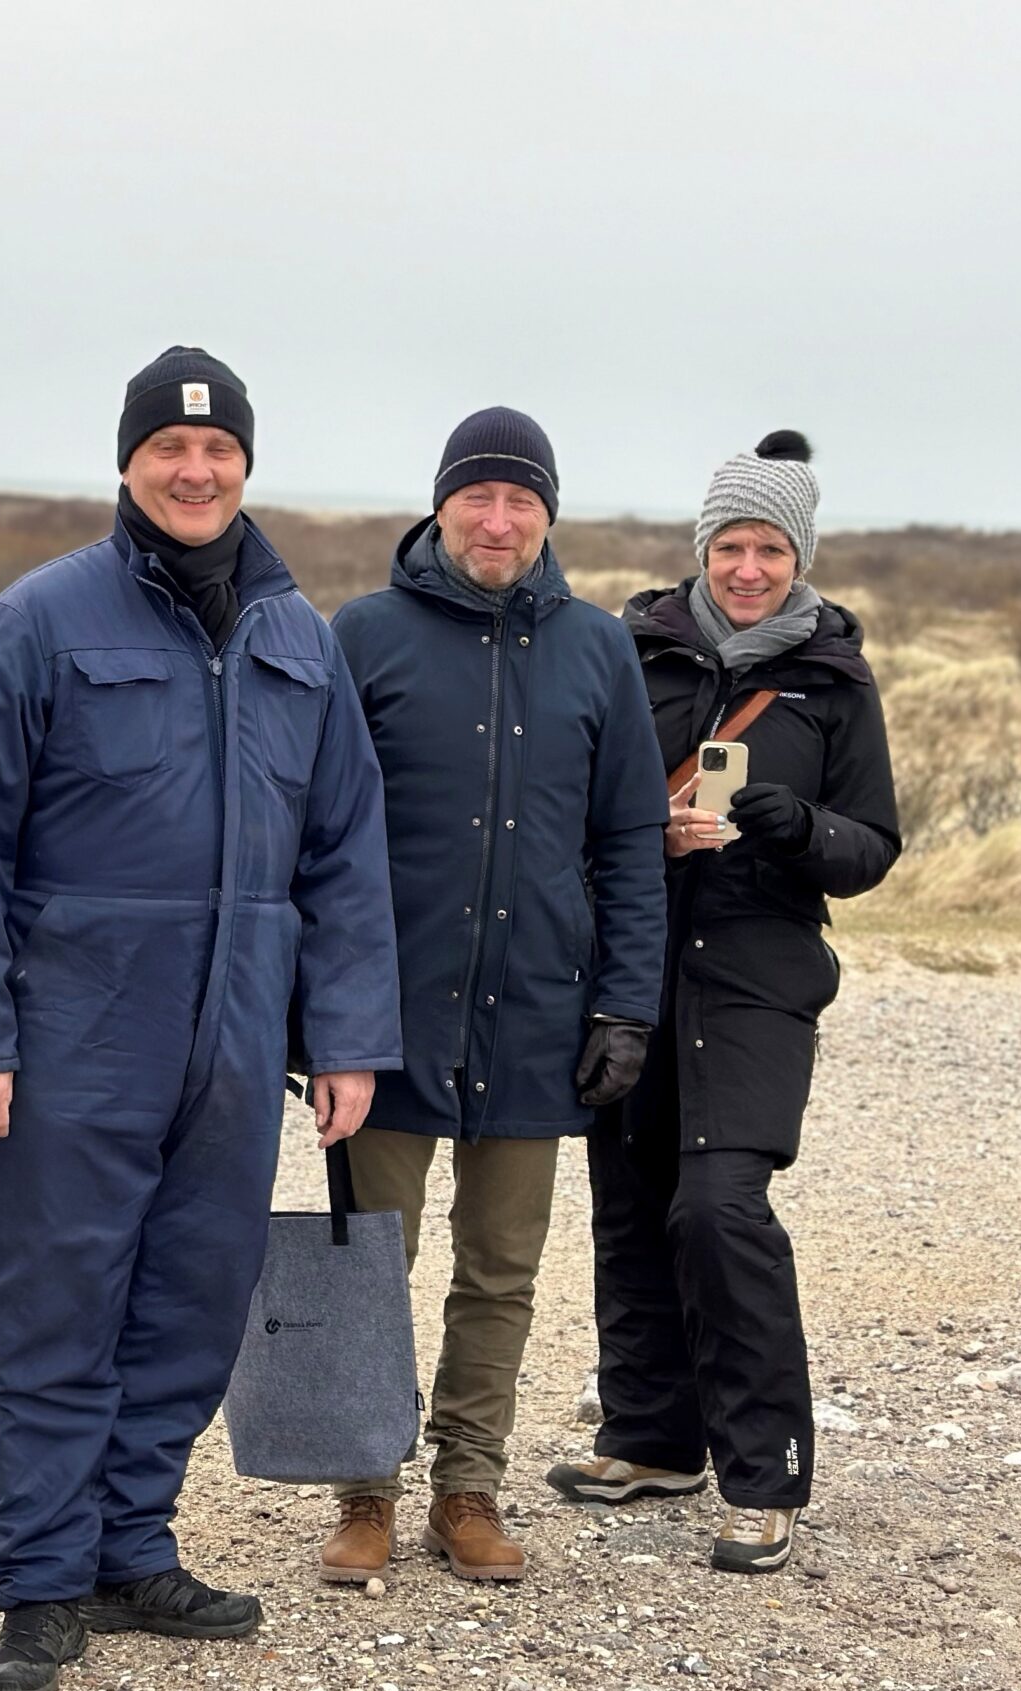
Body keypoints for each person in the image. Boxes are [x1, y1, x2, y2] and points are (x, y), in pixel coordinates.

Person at [0, 346, 401, 1691]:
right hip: (80, 1030)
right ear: (128, 463)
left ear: (245, 467)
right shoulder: (38, 622)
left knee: (195, 1301)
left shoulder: (296, 639)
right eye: (168, 452)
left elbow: (345, 855)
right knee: (55, 1305)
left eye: (219, 454)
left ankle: (131, 1548)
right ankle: (38, 1580)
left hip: (238, 1033)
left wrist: (349, 1037)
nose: (194, 473)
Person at [318, 407, 667, 1585]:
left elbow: (626, 838)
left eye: (522, 500)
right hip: (387, 1016)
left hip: (537, 1014)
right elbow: (312, 837)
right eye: (479, 496)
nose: (499, 519)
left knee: (502, 1268)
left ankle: (467, 1487)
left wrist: (625, 1005)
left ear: (548, 516)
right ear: (441, 505)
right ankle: (365, 1488)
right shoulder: (360, 637)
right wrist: (313, 1010)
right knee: (373, 1255)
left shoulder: (596, 646)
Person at [549, 432, 899, 1575]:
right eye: (732, 545)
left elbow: (870, 850)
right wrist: (638, 835)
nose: (749, 568)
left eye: (771, 549)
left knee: (717, 1207)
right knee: (629, 1197)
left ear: (801, 555)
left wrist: (785, 824)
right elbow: (575, 806)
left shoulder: (835, 682)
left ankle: (764, 1474)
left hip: (757, 973)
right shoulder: (624, 651)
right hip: (632, 962)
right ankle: (652, 1438)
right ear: (702, 547)